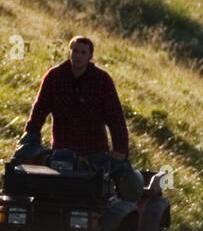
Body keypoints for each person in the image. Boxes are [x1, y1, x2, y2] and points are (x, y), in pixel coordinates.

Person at [20, 36, 143, 199]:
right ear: (69, 52)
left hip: (94, 152)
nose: (78, 56)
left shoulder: (102, 81)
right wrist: (30, 136)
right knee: (54, 193)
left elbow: (116, 119)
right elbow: (39, 110)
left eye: (83, 52)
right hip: (62, 150)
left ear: (90, 56)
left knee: (99, 194)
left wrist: (120, 149)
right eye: (75, 51)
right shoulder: (54, 77)